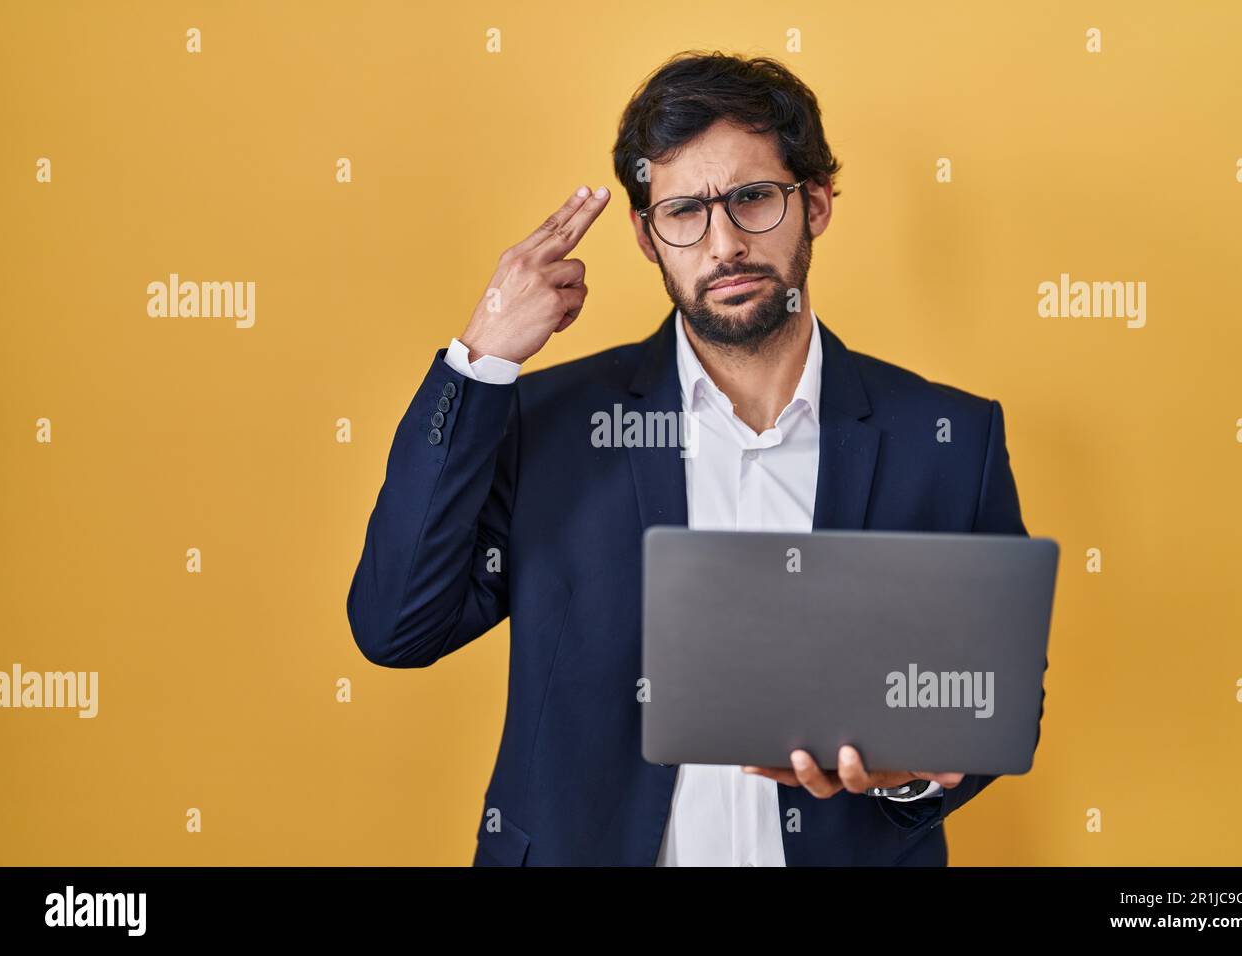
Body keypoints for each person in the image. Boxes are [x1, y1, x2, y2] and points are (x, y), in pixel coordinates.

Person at [346, 51, 1042, 866]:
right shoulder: (547, 425)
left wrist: (910, 777)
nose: (724, 245)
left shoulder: (949, 438)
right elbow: (397, 626)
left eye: (753, 198)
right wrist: (480, 360)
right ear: (647, 236)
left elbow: (996, 695)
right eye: (684, 212)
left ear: (816, 202)